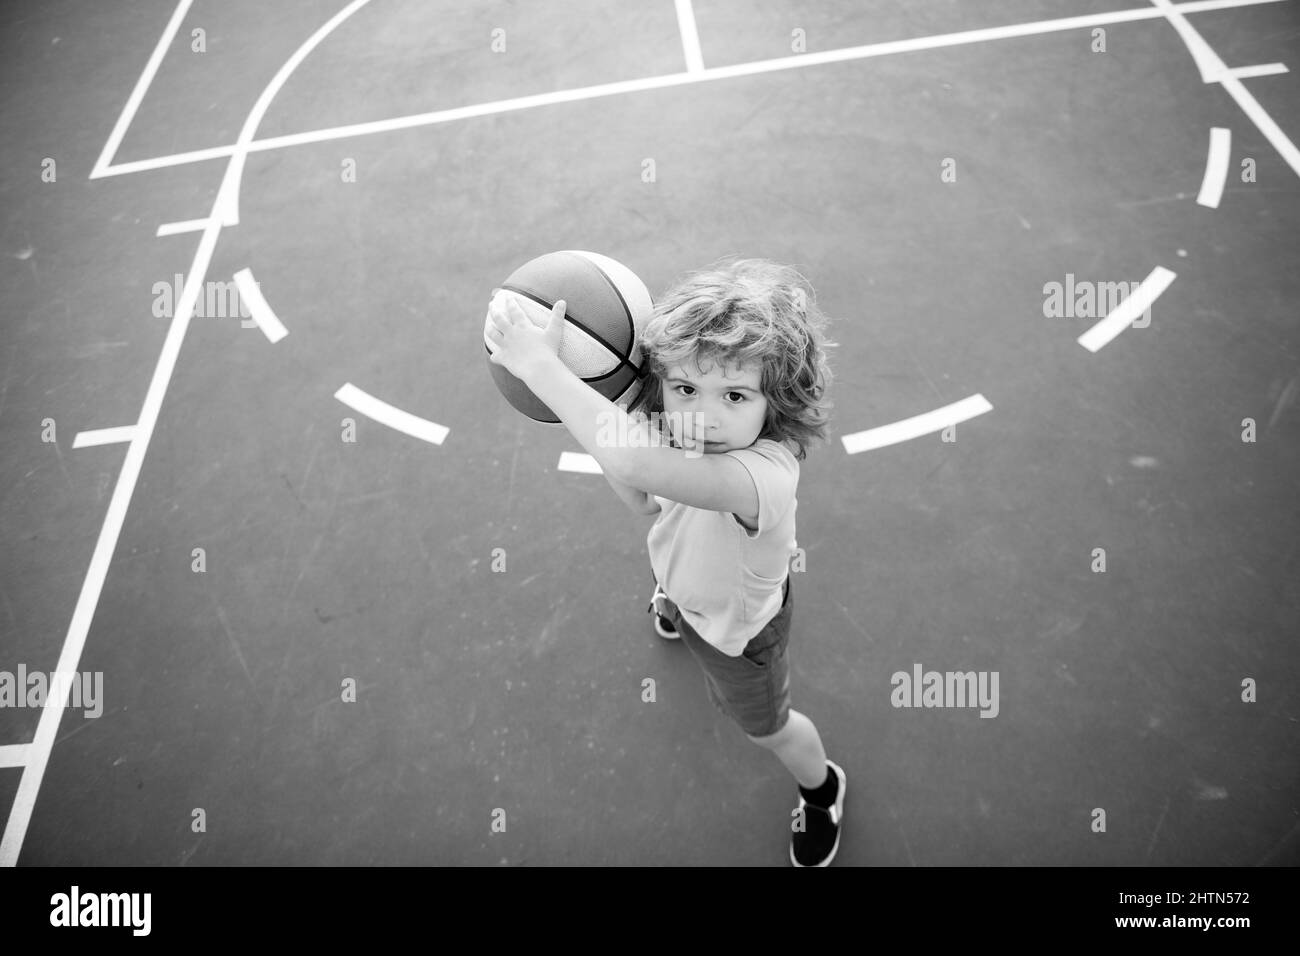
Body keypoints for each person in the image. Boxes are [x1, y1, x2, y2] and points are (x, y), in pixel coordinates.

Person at [486, 257, 844, 865]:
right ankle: (671, 607)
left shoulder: (763, 476)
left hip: (738, 636)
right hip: (682, 578)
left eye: (734, 394)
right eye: (685, 388)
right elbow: (640, 498)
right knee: (673, 583)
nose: (702, 414)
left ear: (776, 398)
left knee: (770, 729)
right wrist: (596, 392)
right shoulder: (684, 430)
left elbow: (634, 465)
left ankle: (823, 789)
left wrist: (543, 367)